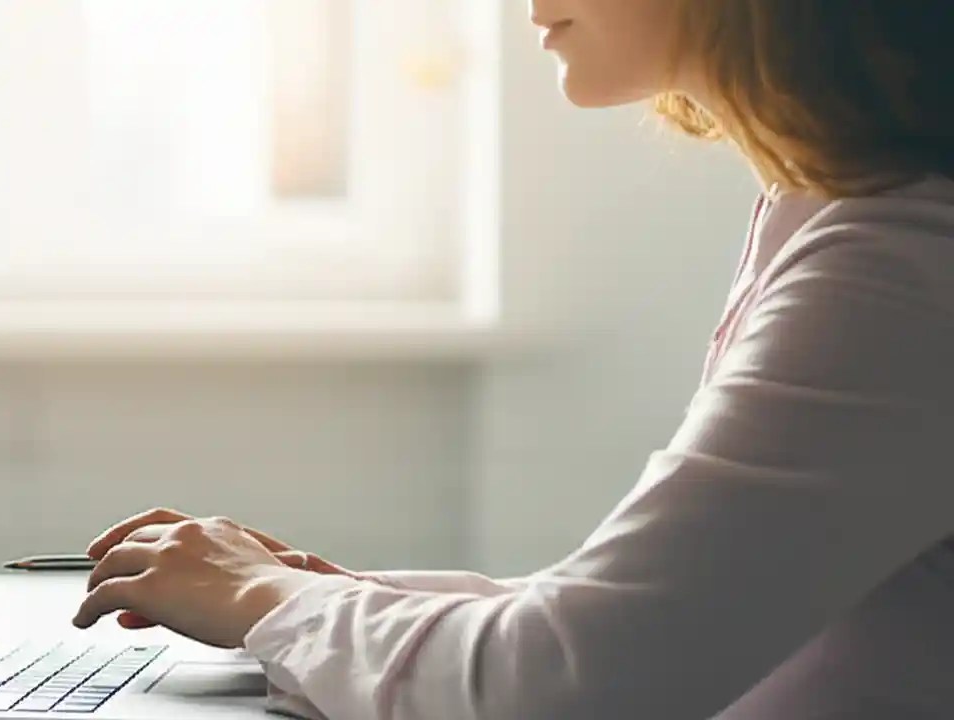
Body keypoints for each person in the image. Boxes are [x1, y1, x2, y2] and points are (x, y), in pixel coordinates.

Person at [72, 1, 954, 717]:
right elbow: (647, 626)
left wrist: (265, 601)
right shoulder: (830, 210)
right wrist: (321, 599)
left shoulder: (891, 259)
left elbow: (569, 682)